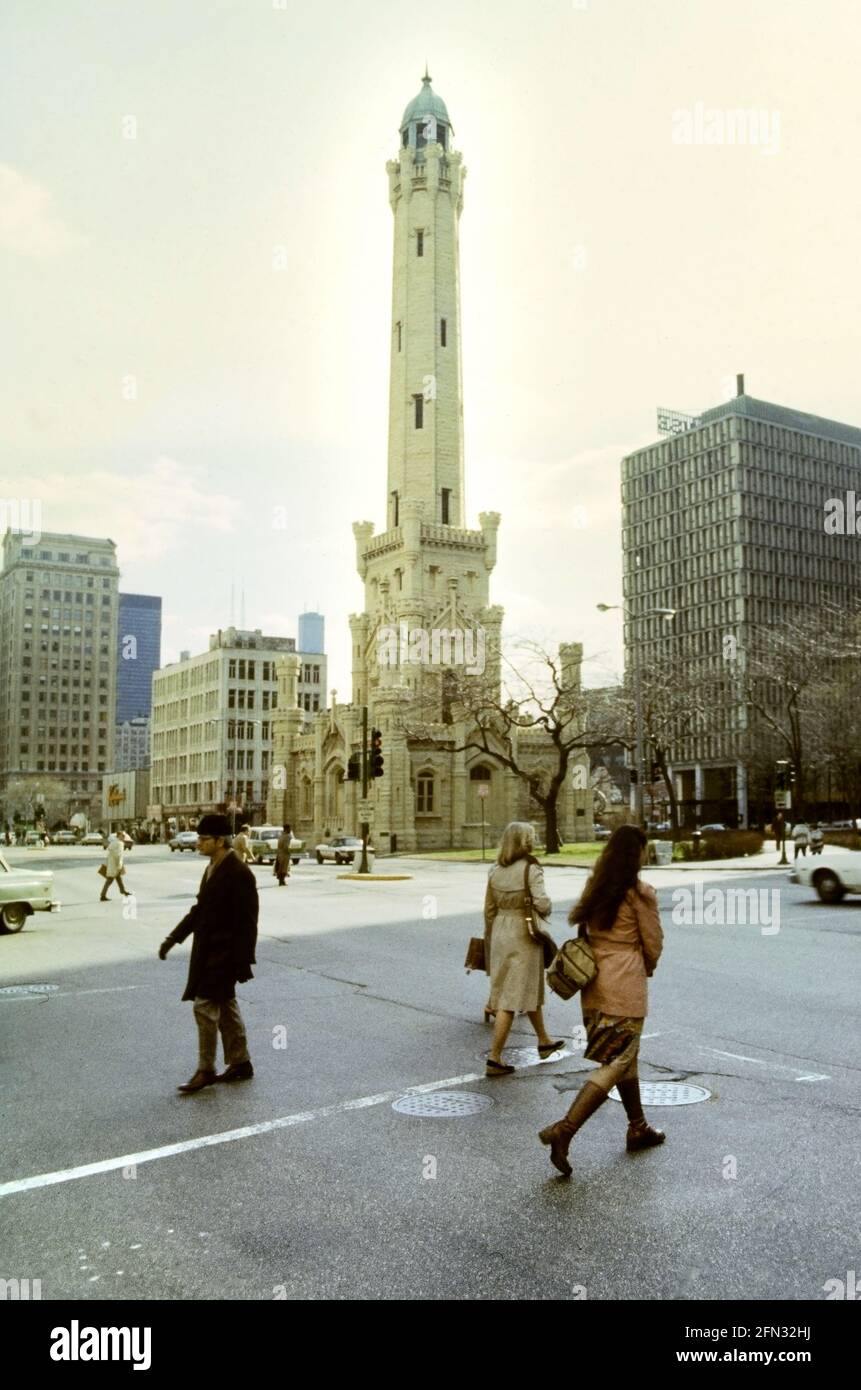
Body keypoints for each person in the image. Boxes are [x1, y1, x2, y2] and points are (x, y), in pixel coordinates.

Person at [538, 824, 664, 1177]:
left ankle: (638, 1126)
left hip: (594, 986)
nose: (645, 853)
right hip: (624, 985)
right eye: (643, 848)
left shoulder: (598, 888)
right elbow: (653, 944)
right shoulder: (639, 893)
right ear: (634, 853)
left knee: (626, 1057)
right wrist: (645, 967)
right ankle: (565, 1130)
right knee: (617, 1061)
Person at [158, 814, 259, 1093]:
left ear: (219, 840)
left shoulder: (239, 872)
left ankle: (206, 1070)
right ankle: (240, 1063)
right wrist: (173, 938)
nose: (198, 843)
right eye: (199, 838)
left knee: (204, 1006)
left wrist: (243, 960)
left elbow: (249, 920)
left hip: (225, 954)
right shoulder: (213, 866)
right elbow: (200, 910)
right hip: (209, 950)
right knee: (225, 1006)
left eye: (204, 839)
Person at [483, 821, 564, 1077]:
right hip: (523, 933)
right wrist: (545, 906)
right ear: (523, 842)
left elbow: (488, 910)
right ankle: (495, 1058)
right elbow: (542, 904)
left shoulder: (494, 871)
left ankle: (544, 1041)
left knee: (524, 986)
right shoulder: (531, 867)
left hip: (499, 932)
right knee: (511, 997)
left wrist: (490, 938)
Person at [100, 832, 130, 901]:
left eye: (124, 836)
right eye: (122, 836)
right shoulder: (119, 843)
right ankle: (102, 895)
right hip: (116, 865)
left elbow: (111, 854)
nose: (123, 837)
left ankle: (123, 891)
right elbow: (118, 855)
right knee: (109, 880)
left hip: (112, 864)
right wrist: (119, 865)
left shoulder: (113, 843)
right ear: (119, 836)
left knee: (119, 879)